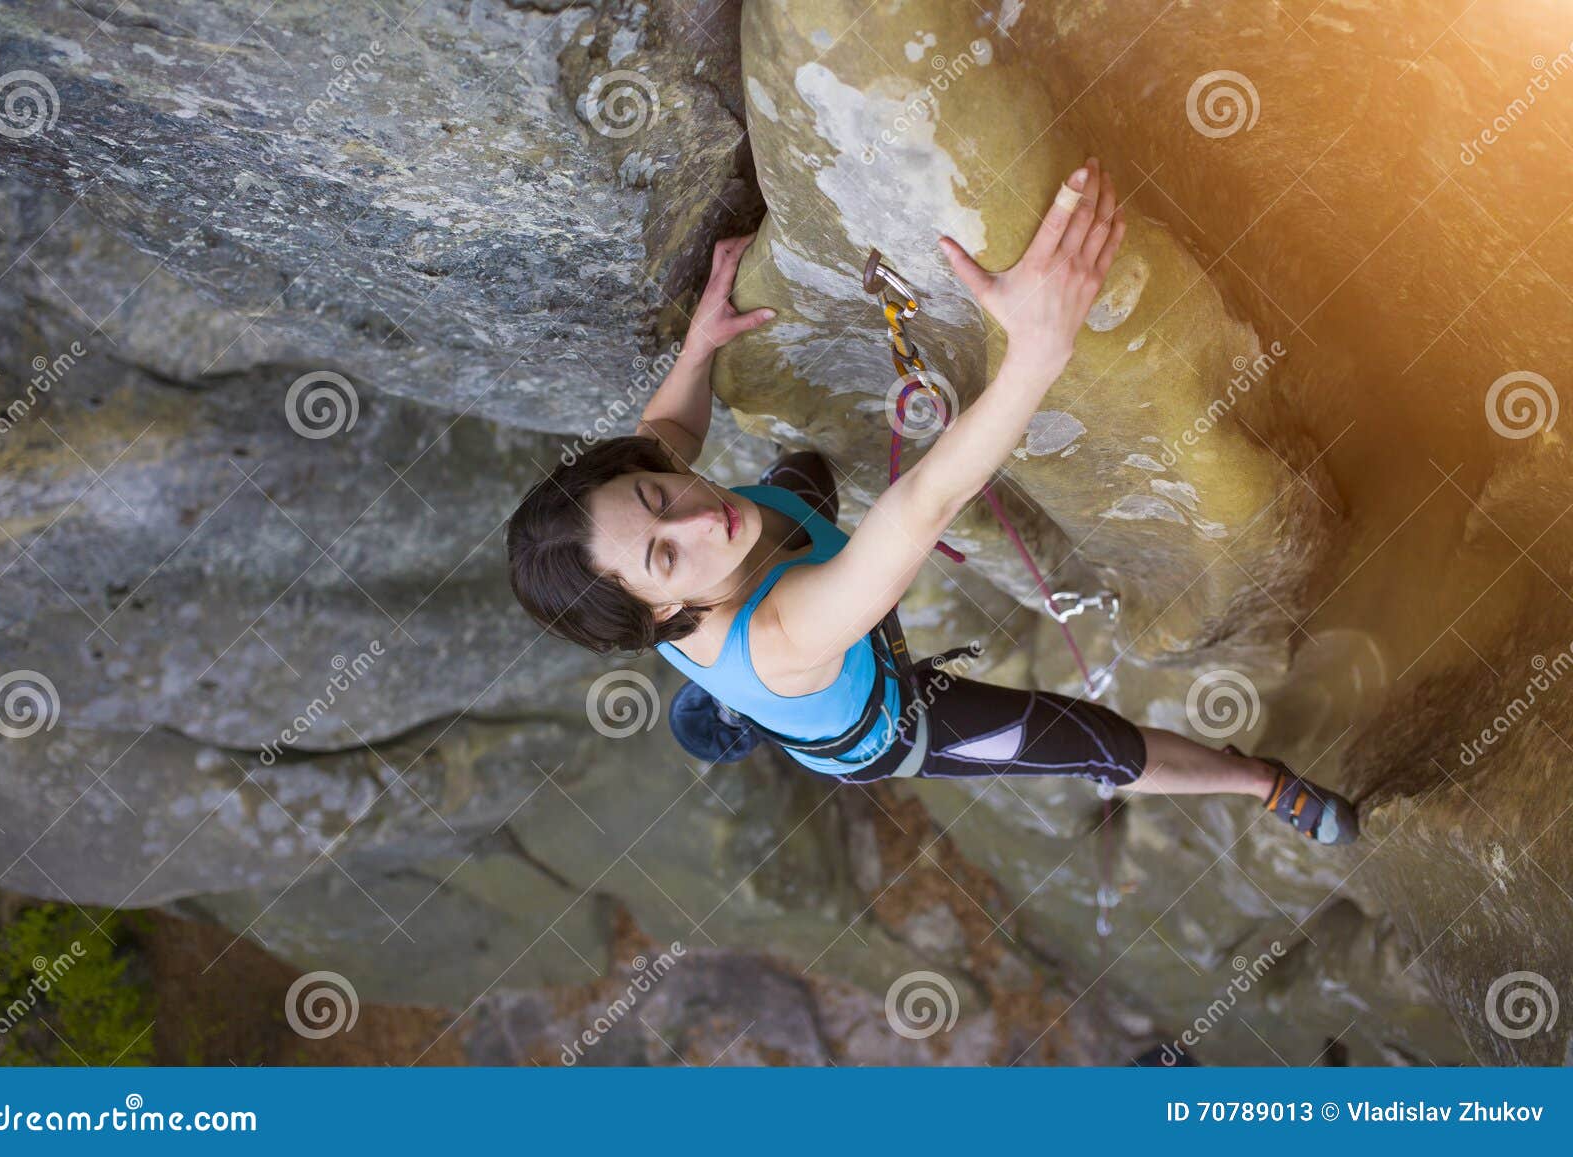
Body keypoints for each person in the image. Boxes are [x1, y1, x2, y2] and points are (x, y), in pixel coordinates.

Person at [506, 158, 1358, 846]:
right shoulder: (783, 634)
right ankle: (1263, 782)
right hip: (883, 715)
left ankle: (733, 712)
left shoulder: (662, 514)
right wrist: (1037, 349)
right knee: (1094, 743)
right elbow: (921, 505)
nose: (697, 518)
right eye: (666, 555)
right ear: (662, 617)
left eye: (657, 497)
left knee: (800, 466)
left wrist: (699, 347)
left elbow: (664, 432)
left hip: (792, 588)